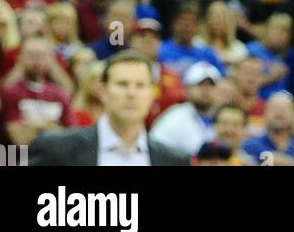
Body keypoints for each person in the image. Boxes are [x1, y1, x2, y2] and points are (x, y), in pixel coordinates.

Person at [27, 49, 189, 165]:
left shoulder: (174, 160)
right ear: (103, 91)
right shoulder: (56, 149)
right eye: (122, 84)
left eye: (140, 85)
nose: (131, 93)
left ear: (151, 94)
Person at [148, 60, 220, 154]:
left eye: (211, 85)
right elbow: (153, 150)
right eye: (200, 85)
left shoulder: (221, 116)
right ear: (187, 88)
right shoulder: (175, 118)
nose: (206, 90)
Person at [241, 90, 294, 165]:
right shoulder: (250, 146)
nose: (279, 113)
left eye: (284, 109)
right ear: (265, 113)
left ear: (293, 115)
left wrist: (287, 162)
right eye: (274, 108)